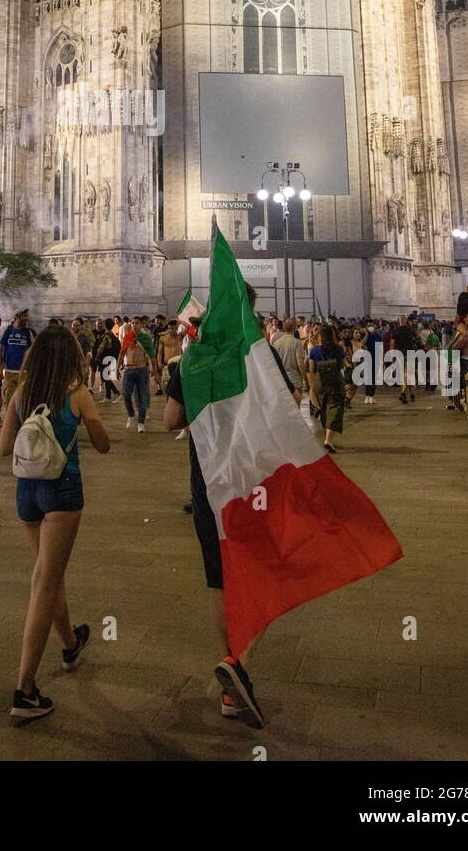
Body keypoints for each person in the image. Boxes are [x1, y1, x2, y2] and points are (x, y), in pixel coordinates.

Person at [162, 291, 266, 728]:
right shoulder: (258, 356)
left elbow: (170, 421)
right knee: (260, 568)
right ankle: (237, 663)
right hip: (251, 481)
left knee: (216, 574)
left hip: (207, 482)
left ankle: (230, 683)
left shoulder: (194, 360)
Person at [0, 324, 110, 720]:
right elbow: (103, 445)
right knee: (45, 581)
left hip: (26, 491)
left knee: (50, 572)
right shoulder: (76, 393)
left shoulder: (19, 395)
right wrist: (87, 417)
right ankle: (24, 689)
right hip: (62, 492)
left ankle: (70, 644)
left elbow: (3, 446)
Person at [306, 323, 346, 453]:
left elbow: (312, 369)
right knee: (335, 408)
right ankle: (328, 440)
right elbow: (341, 365)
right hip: (335, 380)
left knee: (323, 407)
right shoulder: (339, 349)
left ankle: (326, 439)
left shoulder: (314, 351)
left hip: (320, 381)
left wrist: (311, 386)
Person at [120, 316, 158, 433]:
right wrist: (117, 368)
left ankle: (141, 423)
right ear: (130, 324)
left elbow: (152, 356)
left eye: (137, 323)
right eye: (133, 323)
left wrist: (155, 372)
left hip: (142, 370)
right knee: (126, 394)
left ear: (141, 325)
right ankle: (131, 415)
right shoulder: (127, 337)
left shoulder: (145, 338)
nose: (134, 325)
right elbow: (121, 354)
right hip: (129, 370)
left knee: (142, 398)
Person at [0, 310, 37, 411]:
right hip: (10, 373)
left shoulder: (28, 332)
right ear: (17, 316)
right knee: (9, 402)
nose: (27, 319)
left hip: (24, 373)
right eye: (24, 316)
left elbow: (34, 351)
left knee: (23, 403)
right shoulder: (8, 331)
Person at [92, 318, 121, 399]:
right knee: (106, 377)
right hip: (111, 359)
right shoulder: (113, 336)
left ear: (105, 325)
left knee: (105, 377)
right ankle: (109, 395)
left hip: (105, 359)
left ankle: (115, 393)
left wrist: (97, 356)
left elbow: (101, 348)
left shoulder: (106, 336)